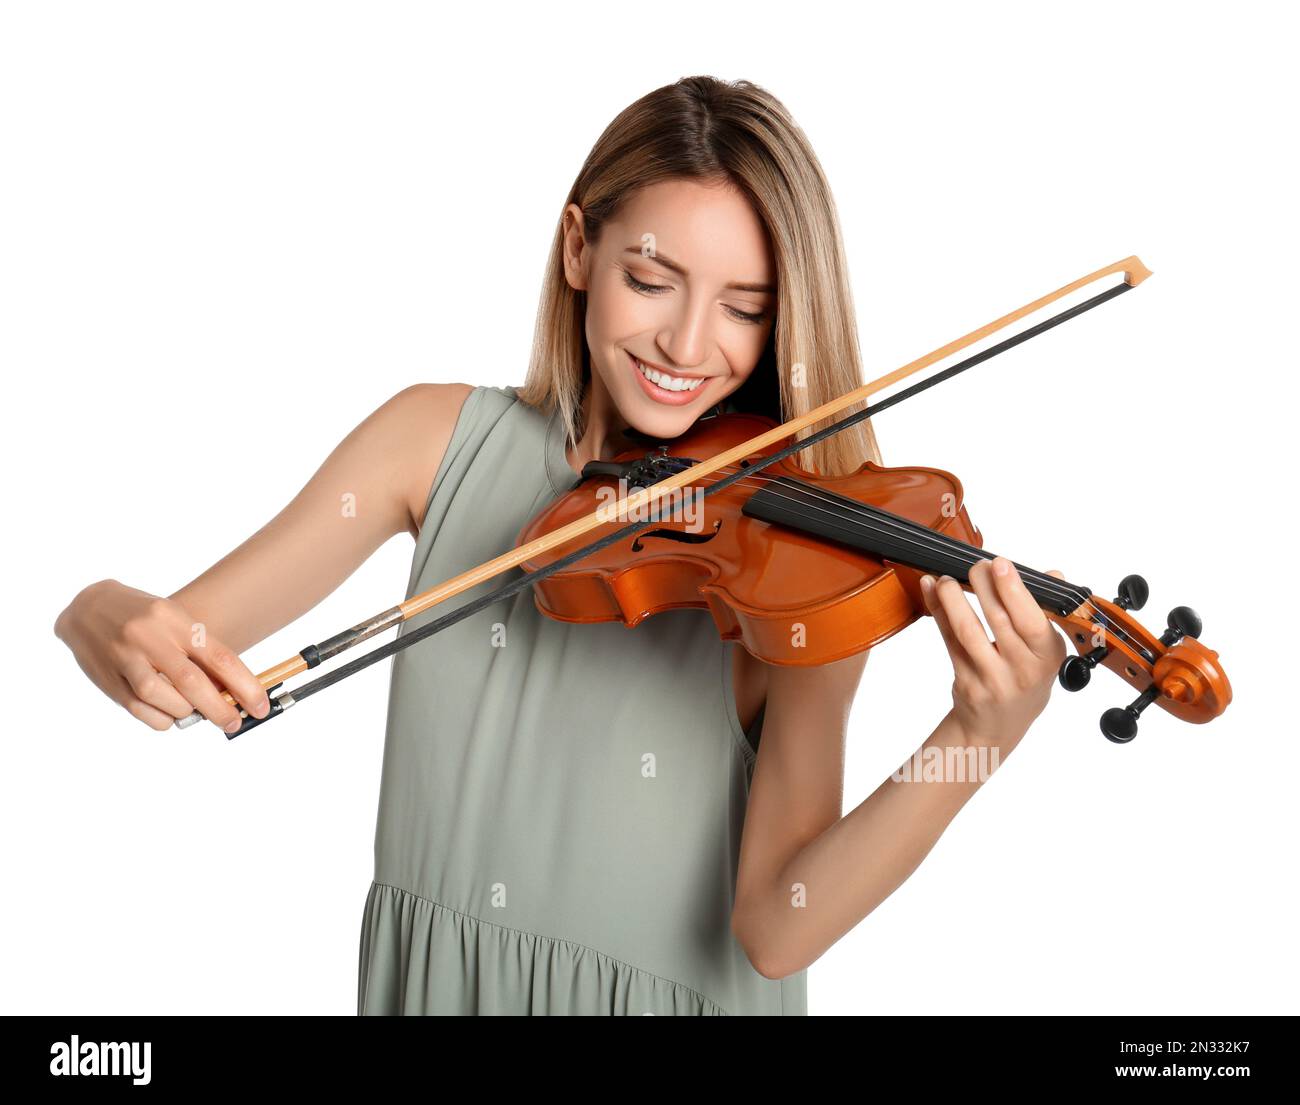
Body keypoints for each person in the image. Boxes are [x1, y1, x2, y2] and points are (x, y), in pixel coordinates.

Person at [53, 75, 1067, 1015]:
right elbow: (182, 634)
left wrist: (972, 740)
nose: (685, 344)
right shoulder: (433, 441)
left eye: (744, 309)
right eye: (651, 278)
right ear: (579, 249)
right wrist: (94, 608)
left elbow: (778, 925)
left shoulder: (795, 562)